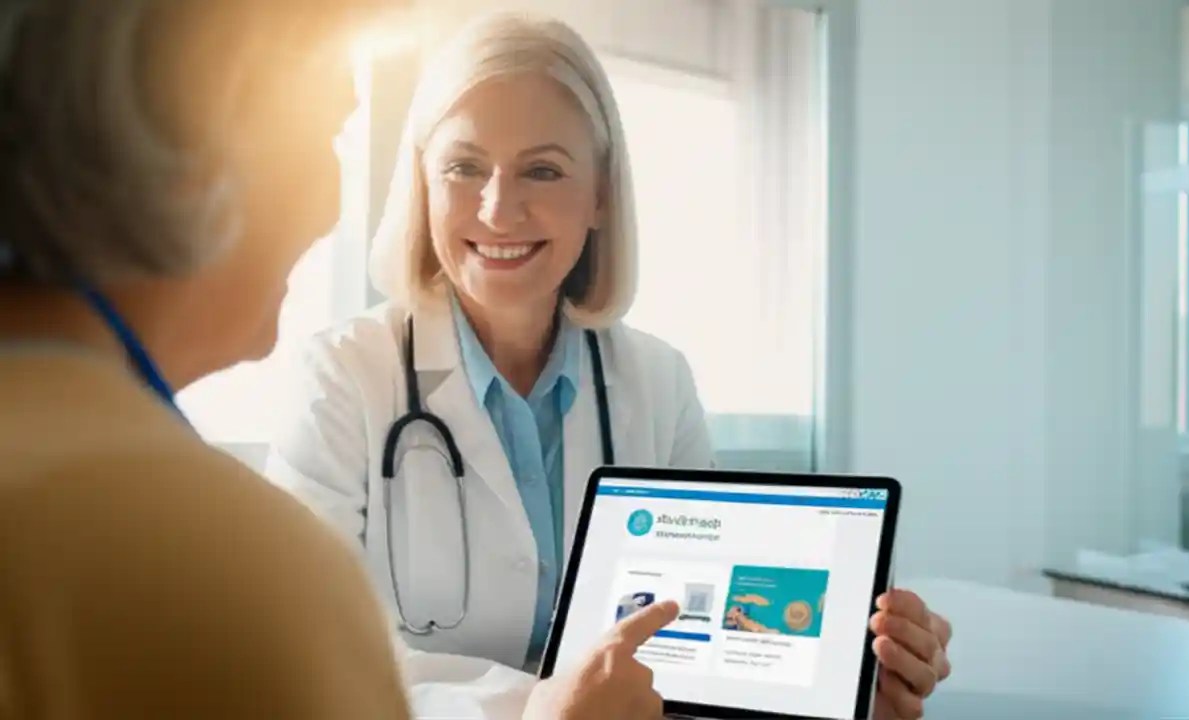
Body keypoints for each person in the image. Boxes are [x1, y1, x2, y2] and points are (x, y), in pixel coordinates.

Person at [265, 11, 953, 719]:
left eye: (543, 169)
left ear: (599, 196)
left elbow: (701, 652)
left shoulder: (658, 383)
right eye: (464, 167)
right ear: (423, 186)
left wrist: (849, 679)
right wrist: (539, 711)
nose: (499, 208)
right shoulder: (342, 379)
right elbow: (294, 659)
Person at [0, 2, 676, 719]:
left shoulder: (69, 466)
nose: (329, 206)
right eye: (320, 133)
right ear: (189, 140)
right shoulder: (173, 538)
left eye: (542, 170)